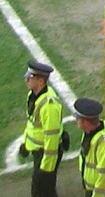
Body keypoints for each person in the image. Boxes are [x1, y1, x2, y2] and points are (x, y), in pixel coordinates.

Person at [20, 60, 64, 197]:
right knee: (45, 192)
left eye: (30, 77)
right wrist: (25, 143)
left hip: (46, 154)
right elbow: (33, 124)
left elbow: (52, 138)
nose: (26, 79)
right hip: (39, 152)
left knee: (42, 192)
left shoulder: (49, 105)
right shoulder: (33, 96)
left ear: (41, 81)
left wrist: (46, 168)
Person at [74, 97, 105, 197]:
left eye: (77, 118)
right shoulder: (89, 132)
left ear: (85, 122)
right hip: (93, 189)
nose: (76, 120)